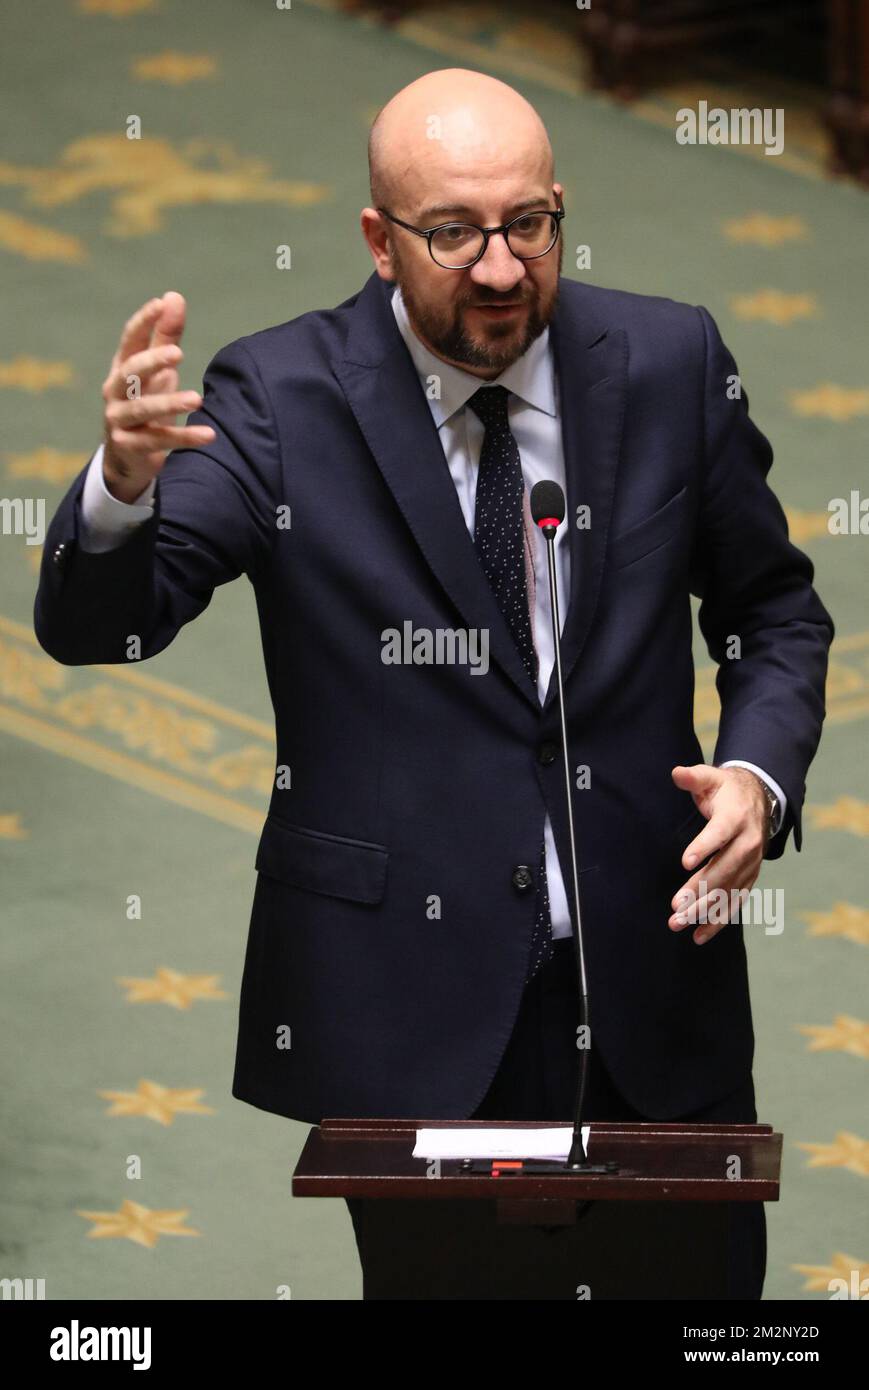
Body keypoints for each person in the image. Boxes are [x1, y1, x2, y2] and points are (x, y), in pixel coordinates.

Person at [34, 68, 833, 1300]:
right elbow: (105, 626)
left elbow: (771, 610)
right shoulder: (280, 398)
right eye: (453, 233)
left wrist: (755, 776)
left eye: (529, 224)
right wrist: (122, 492)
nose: (501, 267)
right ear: (379, 237)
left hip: (649, 974)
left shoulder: (669, 360)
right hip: (416, 1001)